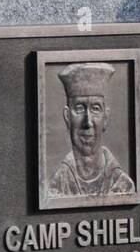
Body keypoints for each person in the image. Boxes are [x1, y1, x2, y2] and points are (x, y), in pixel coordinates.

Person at [47, 62, 135, 199]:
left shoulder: (123, 185)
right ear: (67, 117)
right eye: (80, 108)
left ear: (105, 118)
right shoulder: (54, 187)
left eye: (95, 108)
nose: (88, 122)